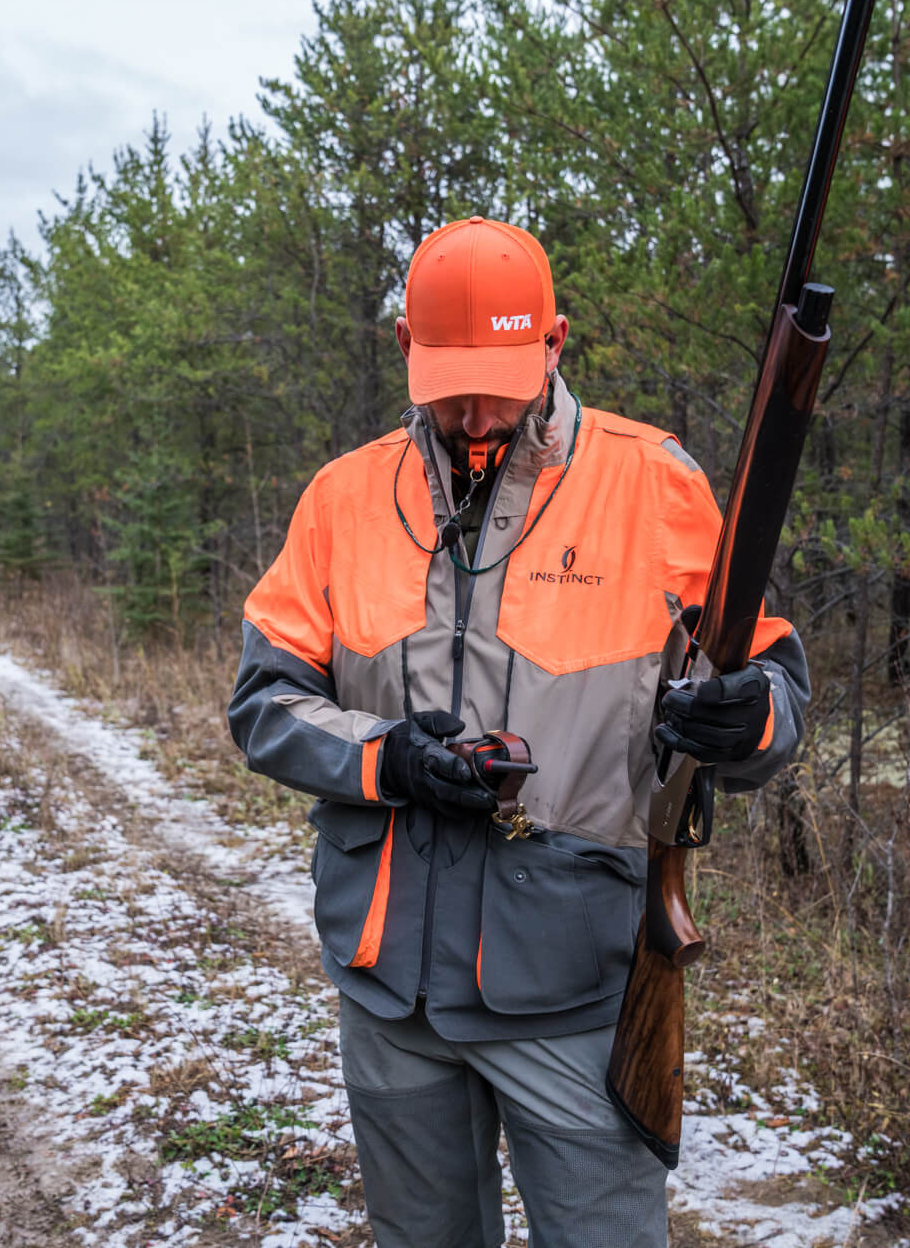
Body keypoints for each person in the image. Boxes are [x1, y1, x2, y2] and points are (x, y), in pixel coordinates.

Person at [228, 216, 811, 1247]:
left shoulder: (652, 482)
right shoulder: (340, 498)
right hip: (389, 988)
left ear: (555, 342)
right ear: (403, 347)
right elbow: (262, 706)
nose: (469, 406)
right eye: (446, 376)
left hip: (572, 989)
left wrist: (744, 717)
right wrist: (385, 757)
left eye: (498, 374)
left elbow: (773, 687)